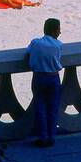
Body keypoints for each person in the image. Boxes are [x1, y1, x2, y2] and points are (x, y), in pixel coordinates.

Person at [27, 18, 64, 147]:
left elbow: (28, 53)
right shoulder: (59, 45)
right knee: (53, 108)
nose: (60, 32)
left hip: (39, 77)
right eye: (59, 29)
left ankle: (42, 136)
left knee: (40, 107)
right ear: (55, 31)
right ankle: (51, 136)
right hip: (53, 78)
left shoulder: (35, 43)